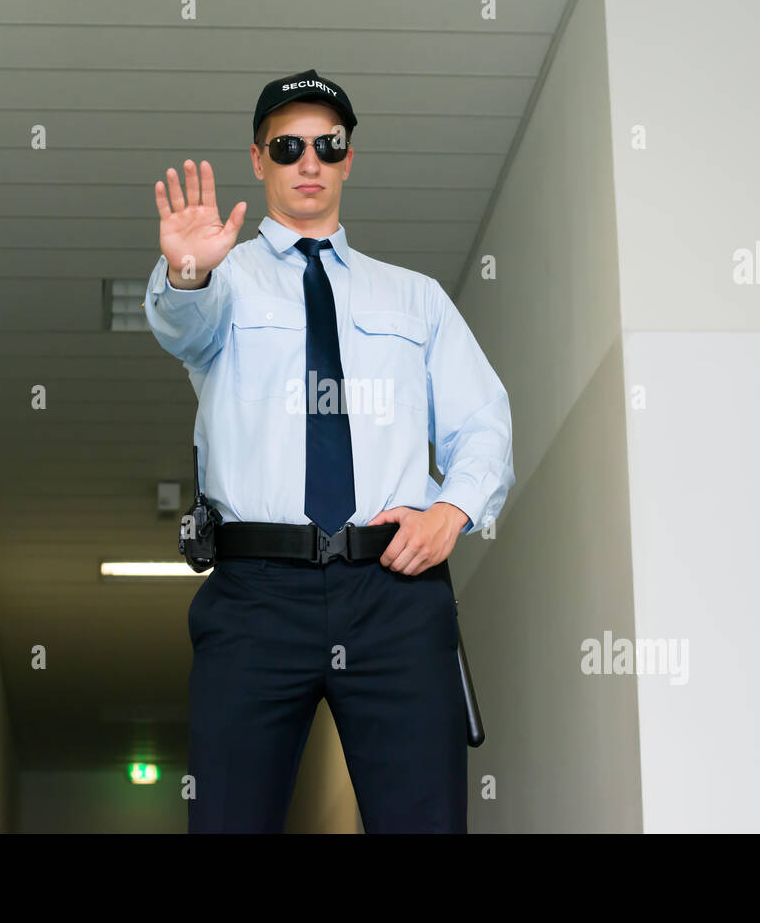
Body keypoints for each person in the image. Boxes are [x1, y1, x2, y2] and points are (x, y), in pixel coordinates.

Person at [144, 68, 514, 833]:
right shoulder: (224, 280)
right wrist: (188, 267)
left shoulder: (414, 299)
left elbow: (484, 423)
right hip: (254, 596)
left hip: (393, 592)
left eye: (327, 144)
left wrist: (454, 510)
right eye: (288, 146)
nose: (307, 160)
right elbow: (184, 325)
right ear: (258, 159)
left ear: (349, 158)